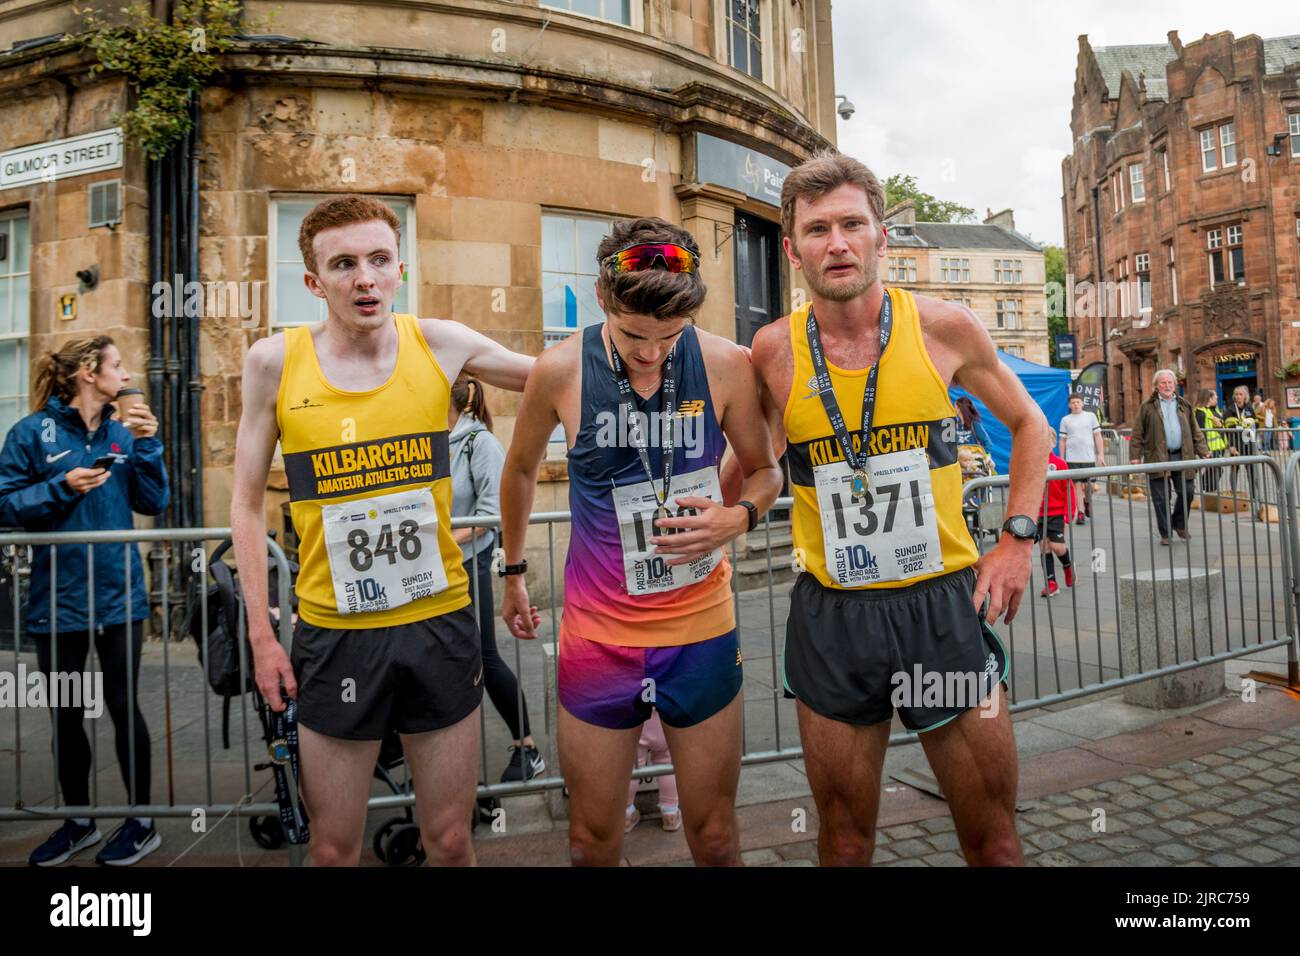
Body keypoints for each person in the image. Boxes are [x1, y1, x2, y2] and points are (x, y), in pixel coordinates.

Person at [730, 150, 1049, 867]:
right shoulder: (773, 352)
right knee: (843, 842)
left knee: (993, 842)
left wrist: (1018, 540)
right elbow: (752, 469)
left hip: (941, 607)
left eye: (851, 224)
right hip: (834, 616)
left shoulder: (945, 327)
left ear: (881, 235)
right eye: (817, 230)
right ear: (792, 249)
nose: (836, 243)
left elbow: (1033, 424)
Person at [230, 196, 534, 866]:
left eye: (377, 260)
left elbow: (557, 378)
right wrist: (261, 636)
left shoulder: (441, 343)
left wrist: (653, 330)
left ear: (400, 268)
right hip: (336, 633)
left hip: (439, 624)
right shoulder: (274, 363)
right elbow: (245, 506)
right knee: (334, 850)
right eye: (343, 264)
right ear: (313, 281)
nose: (363, 277)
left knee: (451, 842)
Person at [499, 216, 783, 867]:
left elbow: (765, 471)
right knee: (591, 840)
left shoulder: (723, 365)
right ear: (603, 299)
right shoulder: (560, 369)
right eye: (633, 336)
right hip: (599, 641)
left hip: (701, 634)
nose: (651, 353)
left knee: (713, 836)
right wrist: (513, 572)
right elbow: (517, 470)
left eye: (668, 337)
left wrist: (738, 516)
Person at [0, 337, 169, 866]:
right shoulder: (31, 434)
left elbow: (153, 500)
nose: (125, 373)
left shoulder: (124, 433)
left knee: (123, 707)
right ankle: (78, 822)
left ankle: (143, 822)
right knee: (67, 715)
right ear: (88, 373)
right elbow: (4, 503)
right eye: (116, 364)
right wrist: (61, 487)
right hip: (59, 602)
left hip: (120, 599)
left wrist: (149, 445)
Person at [447, 373, 543, 792]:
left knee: (483, 657)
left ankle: (528, 747)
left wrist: (442, 540)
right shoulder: (425, 445)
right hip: (430, 573)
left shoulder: (478, 444)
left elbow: (491, 515)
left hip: (467, 566)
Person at [1128, 369, 1209, 545]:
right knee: (1161, 498)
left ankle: (1179, 524)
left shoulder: (1184, 405)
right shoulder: (1147, 407)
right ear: (1156, 386)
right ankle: (1166, 533)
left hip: (1182, 456)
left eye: (1170, 382)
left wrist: (1203, 450)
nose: (1167, 386)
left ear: (1175, 385)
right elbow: (1137, 433)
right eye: (1163, 383)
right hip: (1158, 457)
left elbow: (1195, 431)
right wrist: (1135, 455)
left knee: (1187, 492)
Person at [624, 711, 681, 833]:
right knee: (667, 764)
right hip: (663, 718)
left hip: (636, 720)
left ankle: (626, 815)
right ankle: (670, 814)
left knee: (631, 768)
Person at [1038, 434, 1078, 598]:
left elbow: (1069, 489)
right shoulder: (1034, 463)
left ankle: (1068, 566)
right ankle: (1051, 583)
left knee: (1057, 547)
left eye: (1047, 440)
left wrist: (1070, 511)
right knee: (1043, 546)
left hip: (1056, 513)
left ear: (1053, 443)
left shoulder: (1060, 464)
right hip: (1039, 514)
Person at [1058, 393, 1102, 525]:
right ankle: (1081, 513)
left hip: (1088, 457)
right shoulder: (1065, 420)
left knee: (1090, 485)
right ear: (1069, 405)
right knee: (1077, 486)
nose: (1076, 405)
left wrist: (1100, 454)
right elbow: (1062, 440)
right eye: (1073, 403)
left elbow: (1098, 436)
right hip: (1072, 458)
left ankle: (1087, 502)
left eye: (1078, 402)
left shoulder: (1090, 417)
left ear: (1082, 403)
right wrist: (1062, 458)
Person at [1224, 385, 1260, 512]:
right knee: (1235, 469)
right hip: (1236, 445)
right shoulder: (1229, 410)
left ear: (1245, 397)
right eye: (1237, 394)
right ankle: (1233, 495)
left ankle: (1255, 497)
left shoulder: (1250, 408)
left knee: (1252, 471)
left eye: (1241, 394)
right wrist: (1230, 446)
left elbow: (1257, 425)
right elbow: (1226, 430)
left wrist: (1254, 425)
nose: (1239, 397)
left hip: (1249, 444)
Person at [1193, 388, 1227, 494]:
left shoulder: (1213, 410)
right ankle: (1208, 491)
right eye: (1215, 396)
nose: (1217, 397)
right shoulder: (1200, 412)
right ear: (1209, 398)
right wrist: (1205, 449)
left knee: (1215, 470)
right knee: (1216, 470)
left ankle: (1210, 491)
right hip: (1210, 448)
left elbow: (1220, 427)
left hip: (1218, 446)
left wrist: (1220, 425)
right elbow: (1200, 433)